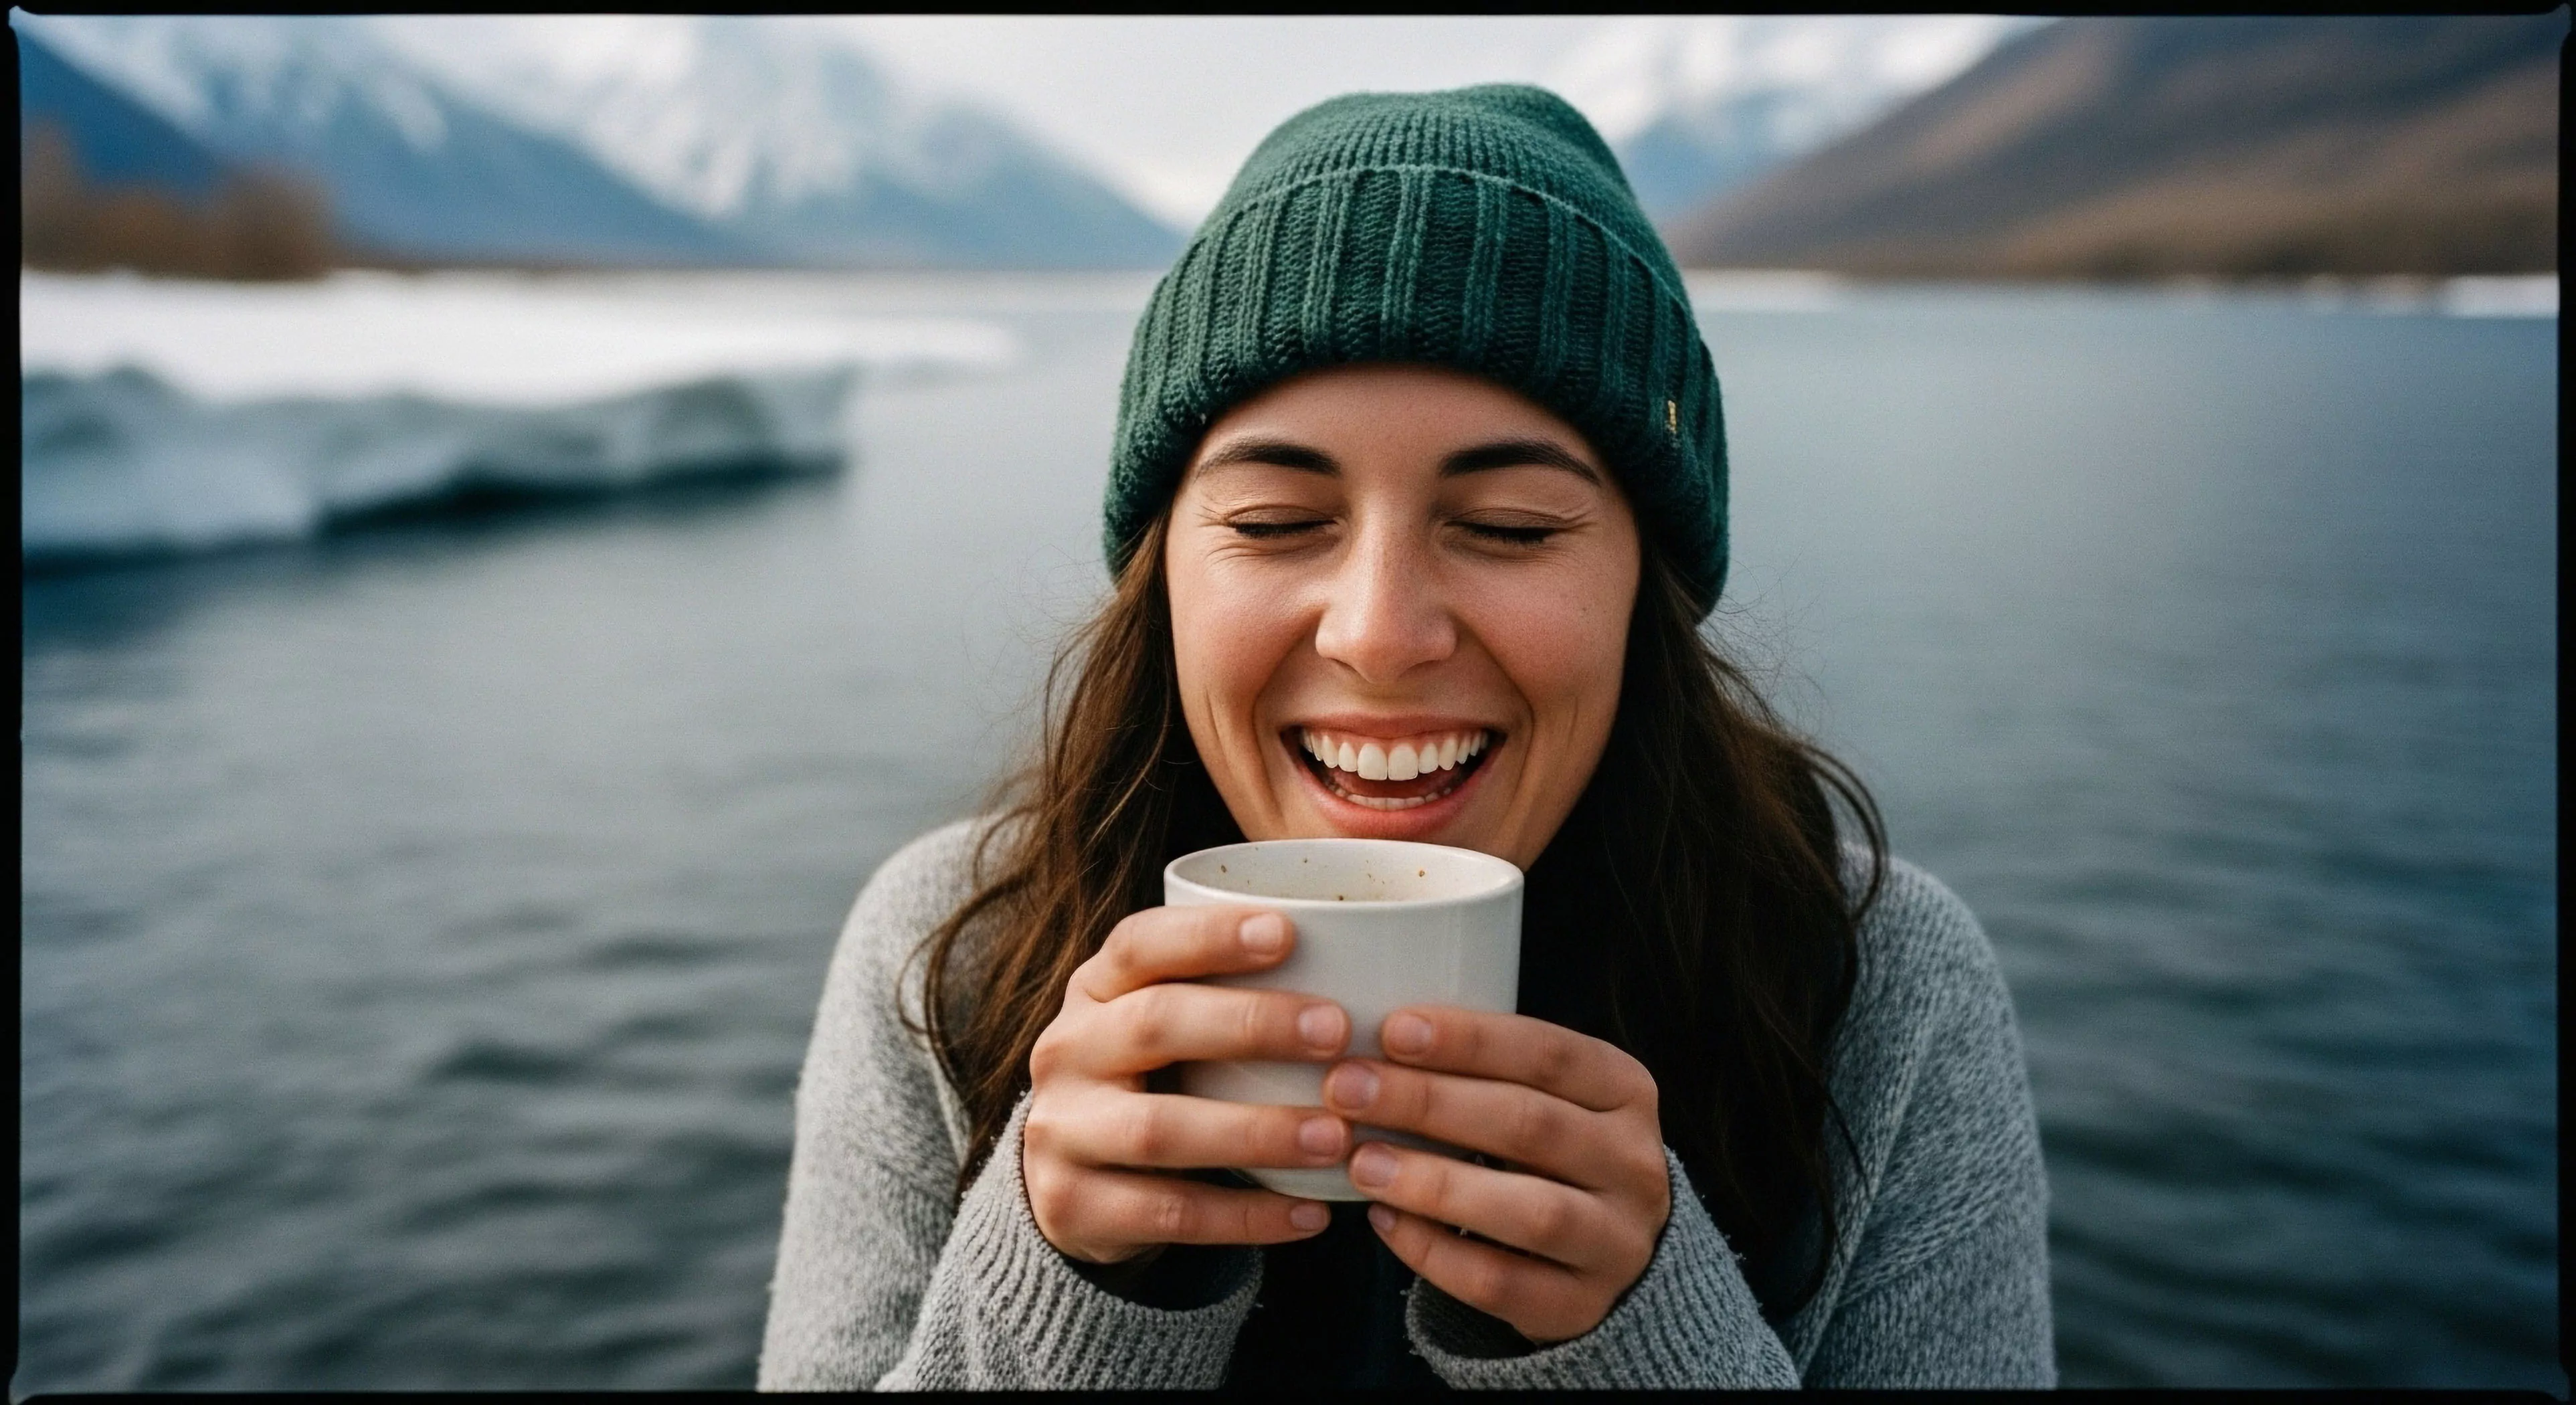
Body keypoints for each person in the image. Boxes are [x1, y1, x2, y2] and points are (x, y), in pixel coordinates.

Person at [757, 85, 2052, 1390]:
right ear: (1161, 581)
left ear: (1638, 593)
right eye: (1271, 523)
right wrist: (1061, 1293)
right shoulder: (957, 954)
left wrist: (1645, 1344)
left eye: (1508, 527)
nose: (1379, 636)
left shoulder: (1866, 984)